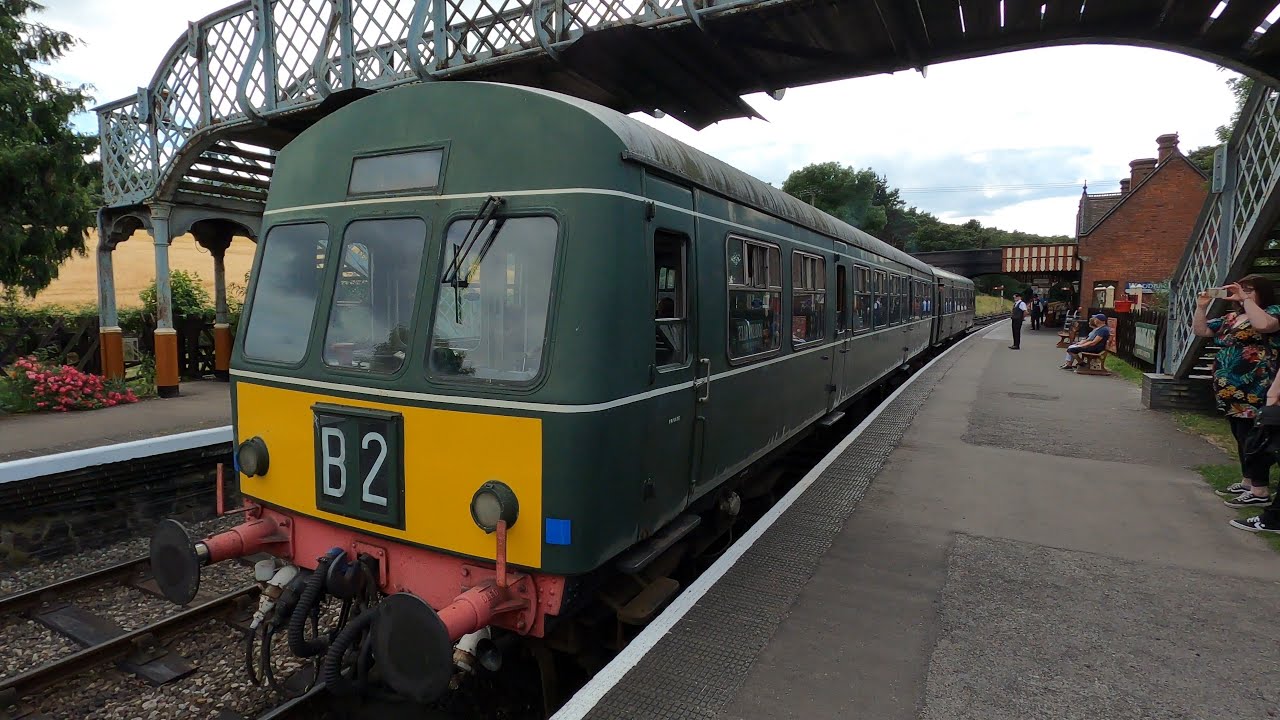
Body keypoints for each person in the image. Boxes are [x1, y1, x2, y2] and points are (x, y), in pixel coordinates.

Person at [1192, 275, 1280, 508]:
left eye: (1251, 290)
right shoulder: (1231, 317)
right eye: (1242, 290)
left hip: (1256, 383)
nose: (1244, 294)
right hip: (1230, 386)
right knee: (1240, 433)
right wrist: (1201, 307)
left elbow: (1264, 326)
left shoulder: (1271, 311)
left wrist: (1247, 301)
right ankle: (1248, 480)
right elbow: (1202, 331)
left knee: (1254, 435)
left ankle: (1259, 488)